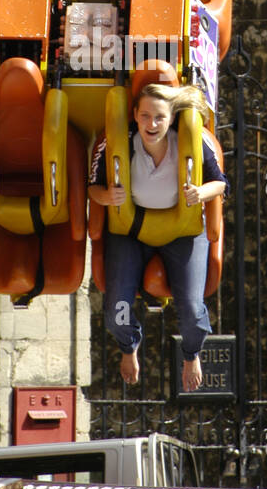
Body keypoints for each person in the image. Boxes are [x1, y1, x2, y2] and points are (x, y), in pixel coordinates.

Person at [88, 82, 228, 392]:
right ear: (135, 115)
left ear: (171, 118)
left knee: (192, 311)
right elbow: (92, 189)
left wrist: (201, 191)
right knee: (116, 314)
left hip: (181, 234)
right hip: (132, 233)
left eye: (160, 118)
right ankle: (128, 346)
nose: (152, 124)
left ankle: (191, 354)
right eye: (146, 116)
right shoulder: (116, 141)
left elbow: (220, 183)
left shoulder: (193, 142)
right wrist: (107, 196)